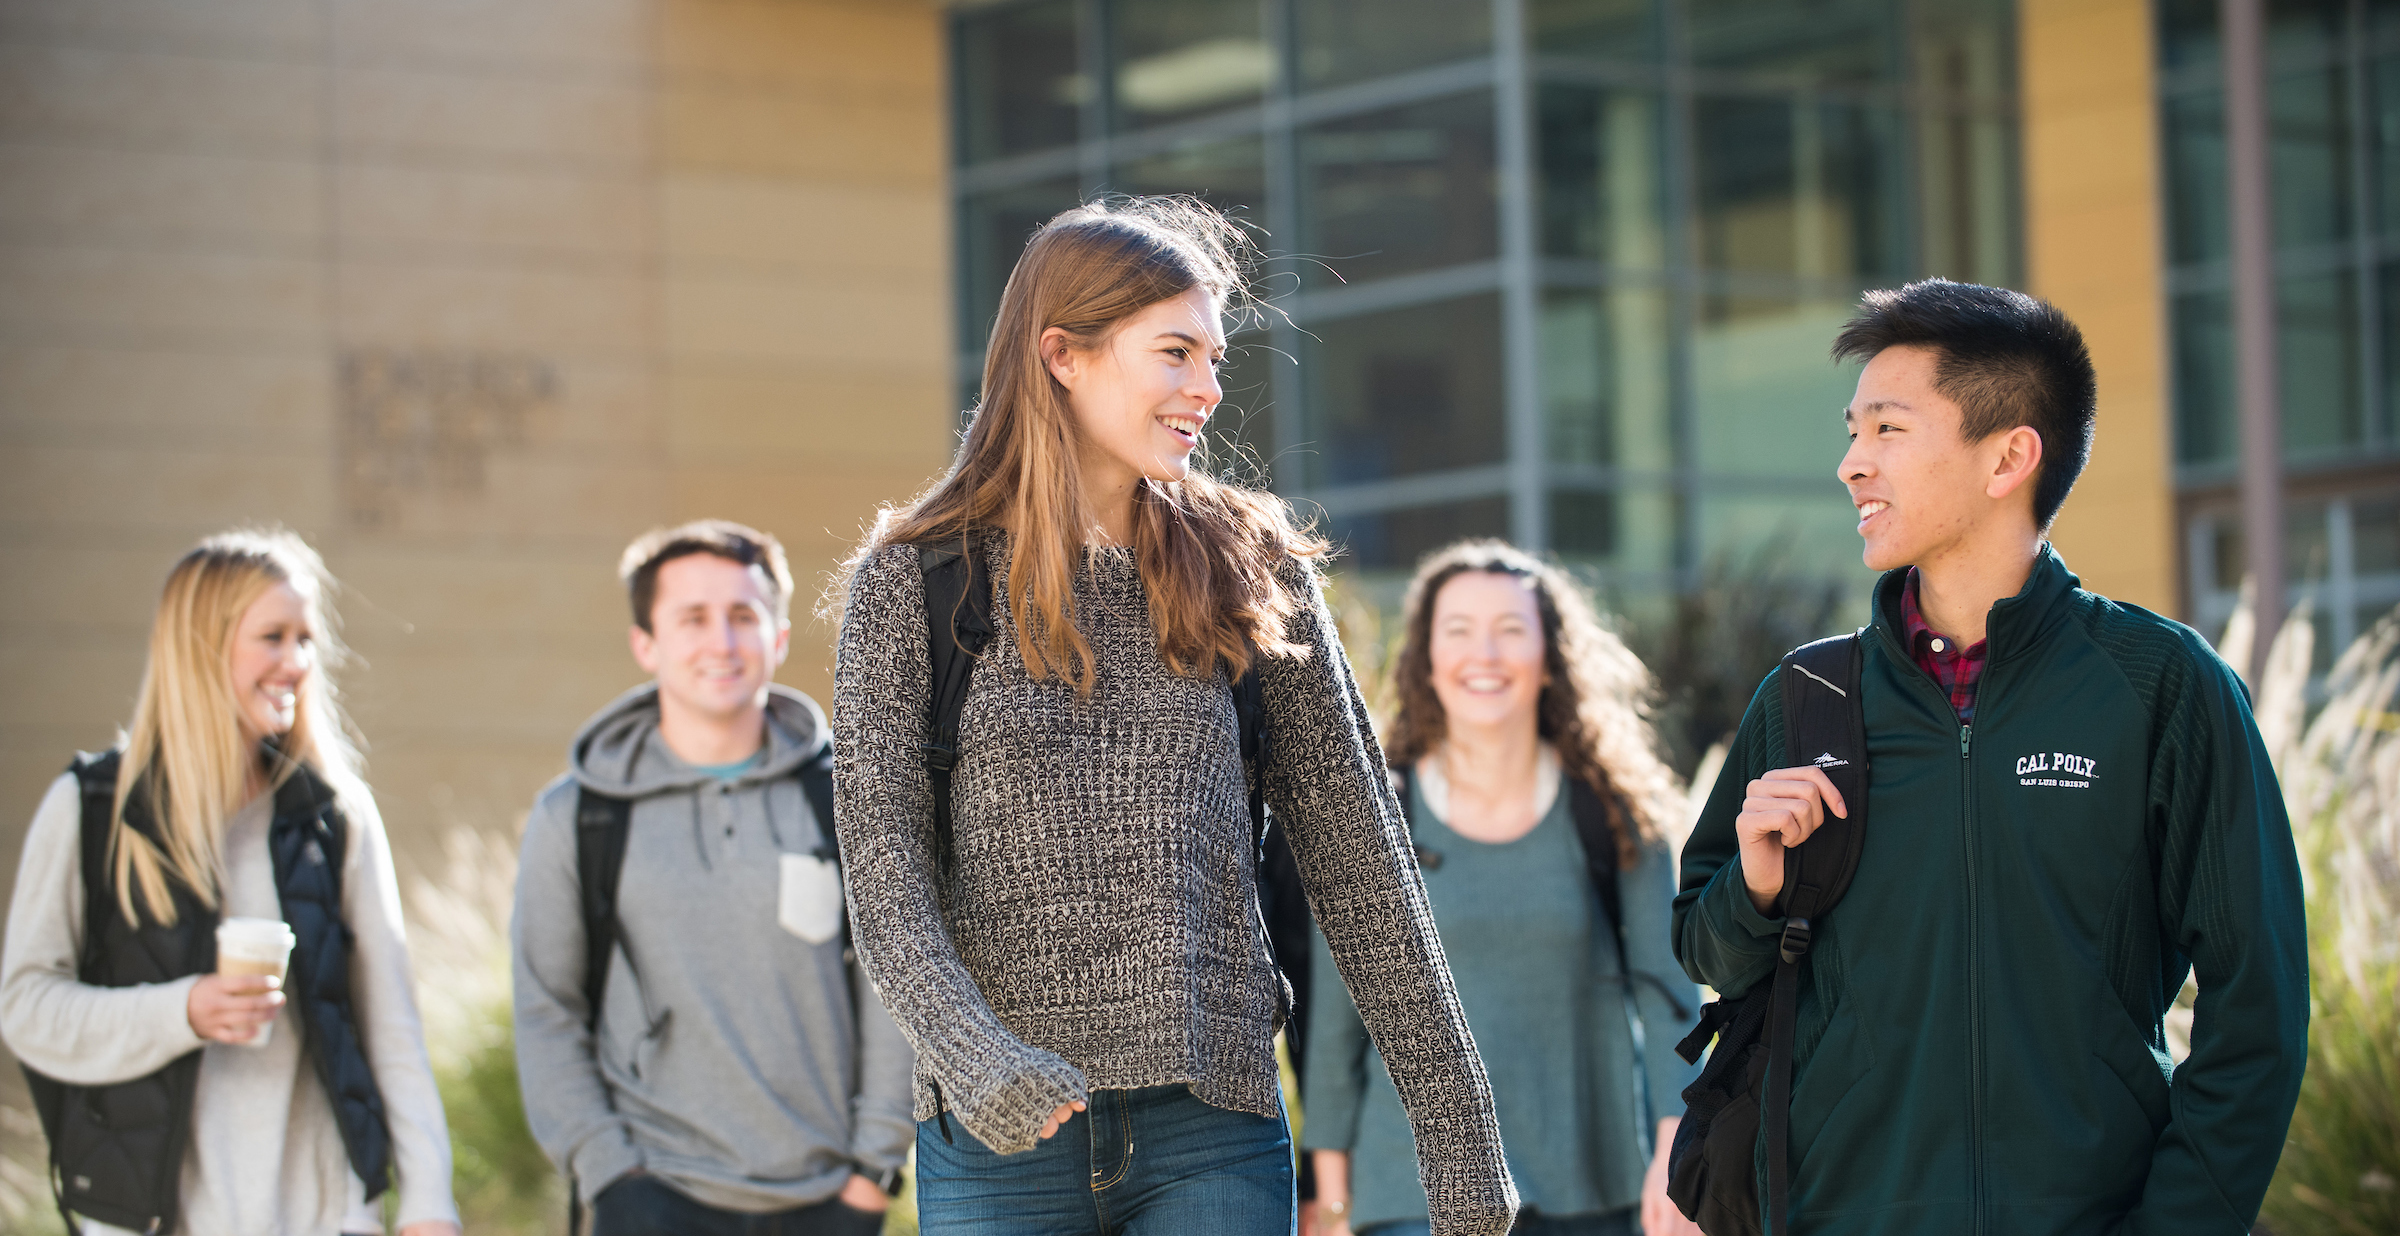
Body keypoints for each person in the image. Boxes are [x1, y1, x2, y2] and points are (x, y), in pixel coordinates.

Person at [831, 196, 1519, 1236]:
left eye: (1214, 357)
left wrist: (1456, 1125)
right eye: (1176, 353)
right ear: (1062, 355)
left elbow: (1362, 864)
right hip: (997, 1140)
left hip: (1212, 1131)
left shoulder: (1253, 567)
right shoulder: (915, 582)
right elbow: (884, 871)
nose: (1209, 387)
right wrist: (976, 1058)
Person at [1674, 279, 2308, 1234]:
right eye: (1853, 432)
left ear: (2009, 457)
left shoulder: (2161, 686)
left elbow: (2259, 1003)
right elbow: (1706, 950)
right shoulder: (1810, 696)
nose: (1851, 464)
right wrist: (1755, 890)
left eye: (1888, 430)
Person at [1, 528, 459, 1236]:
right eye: (272, 638)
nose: (296, 663)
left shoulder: (333, 815)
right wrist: (183, 1011)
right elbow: (26, 1008)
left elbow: (392, 1028)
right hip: (146, 1218)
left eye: (305, 640)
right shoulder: (93, 809)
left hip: (323, 1213)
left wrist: (429, 1201)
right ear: (201, 647)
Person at [512, 520, 913, 1235]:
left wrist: (872, 1173)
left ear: (778, 638)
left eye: (743, 617)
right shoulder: (578, 817)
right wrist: (607, 1173)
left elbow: (895, 983)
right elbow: (548, 1011)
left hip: (827, 1205)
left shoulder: (847, 800)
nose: (722, 642)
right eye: (692, 618)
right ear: (646, 644)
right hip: (650, 1197)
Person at [1305, 540, 1703, 1236]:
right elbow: (1338, 1024)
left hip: (1589, 1191)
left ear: (1550, 658)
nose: (1484, 654)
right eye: (1458, 630)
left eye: (1511, 630)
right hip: (1413, 1198)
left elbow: (1670, 997)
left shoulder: (1616, 813)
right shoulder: (1373, 815)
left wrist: (1677, 1149)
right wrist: (1333, 1200)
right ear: (1427, 658)